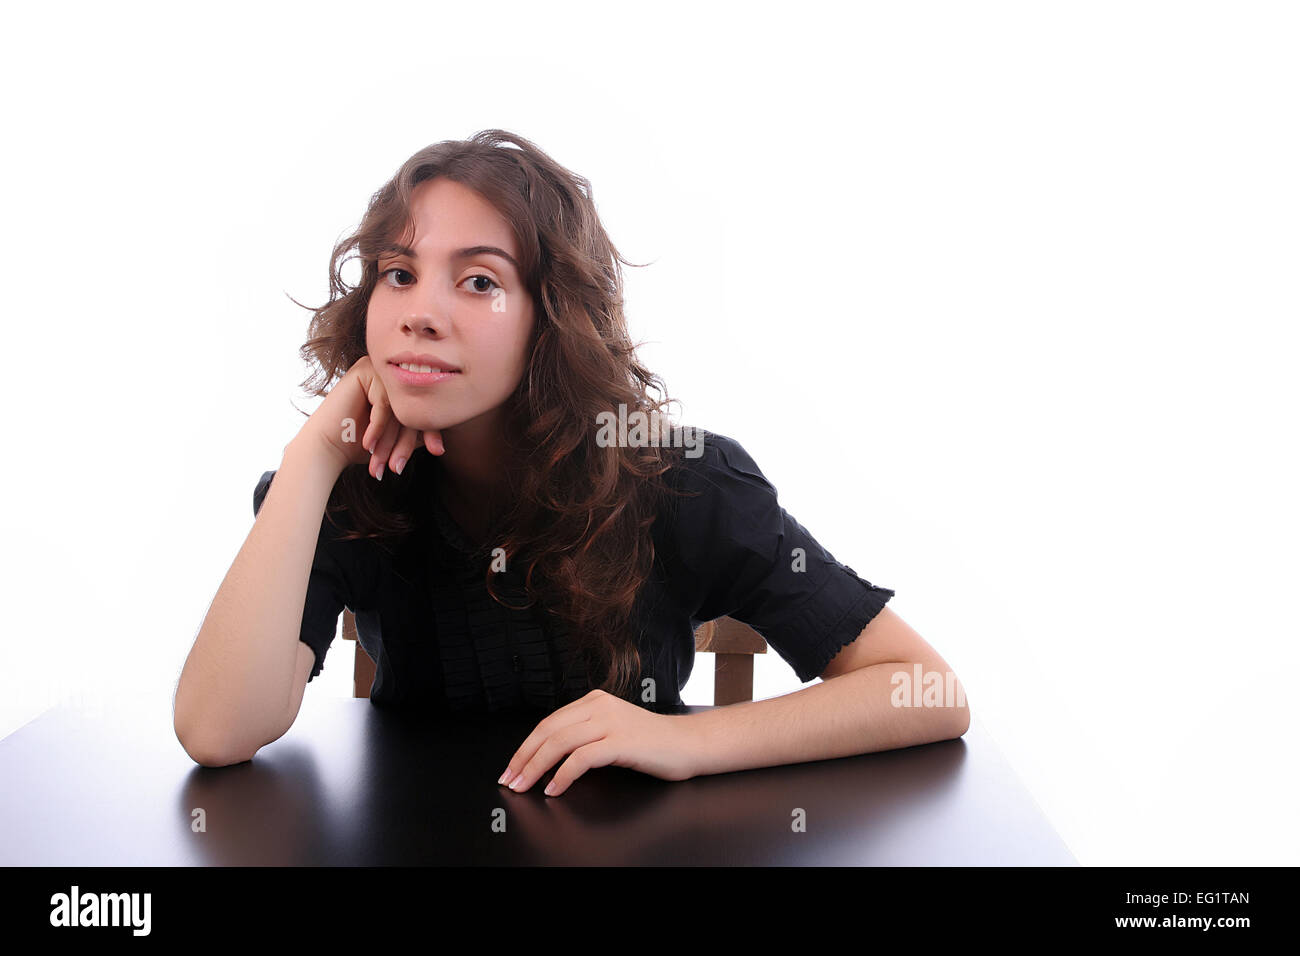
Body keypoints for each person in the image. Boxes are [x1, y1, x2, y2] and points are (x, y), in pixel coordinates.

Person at [174, 130, 970, 795]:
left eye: (478, 280)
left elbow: (927, 692)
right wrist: (313, 456)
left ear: (552, 320)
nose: (419, 313)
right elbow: (215, 731)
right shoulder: (349, 495)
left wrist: (684, 743)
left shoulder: (682, 482)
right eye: (398, 274)